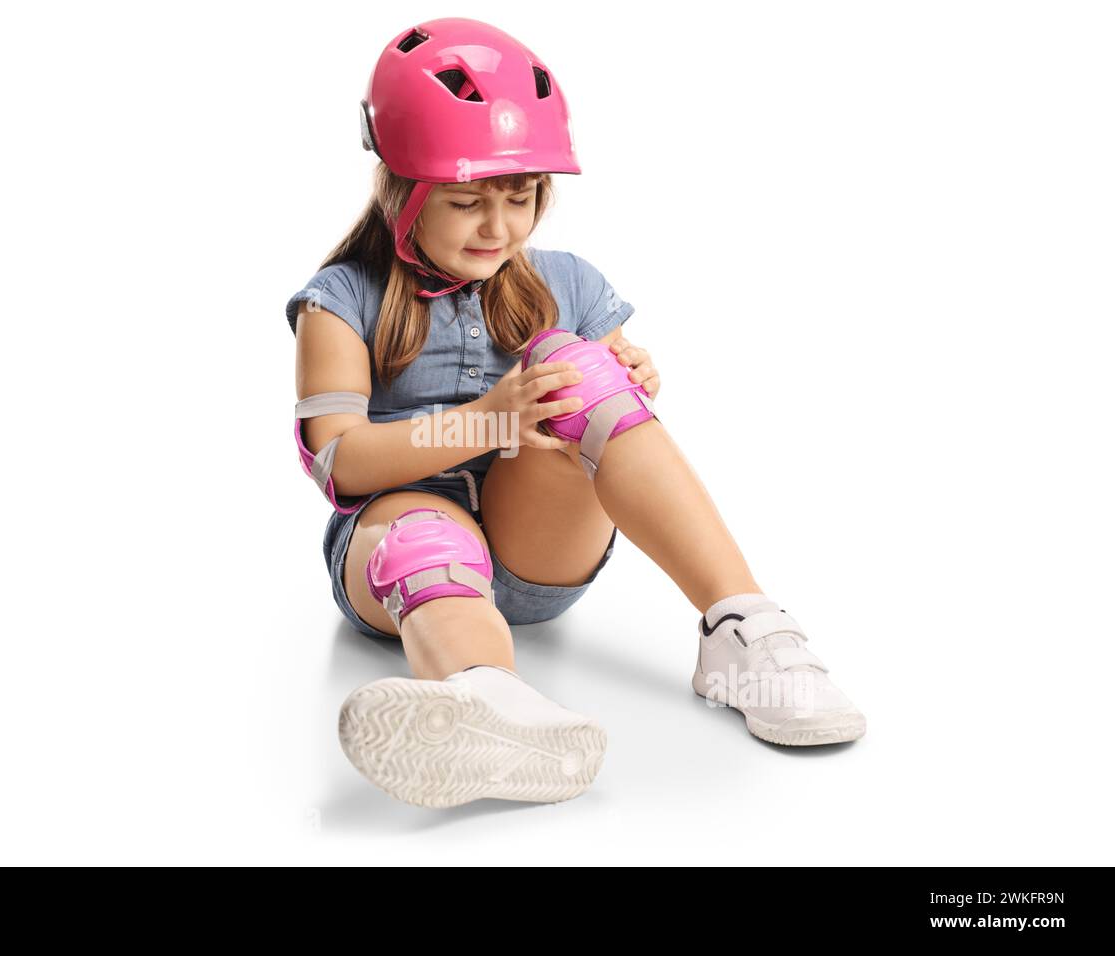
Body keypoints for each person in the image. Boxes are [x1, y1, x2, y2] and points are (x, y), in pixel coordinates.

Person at [286, 18, 866, 810]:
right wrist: (489, 420)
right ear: (403, 190)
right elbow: (338, 463)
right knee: (424, 536)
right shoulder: (342, 301)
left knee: (578, 363)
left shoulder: (568, 283)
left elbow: (614, 417)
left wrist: (630, 378)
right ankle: (493, 708)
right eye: (465, 203)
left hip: (535, 558)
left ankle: (743, 632)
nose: (500, 228)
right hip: (399, 558)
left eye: (521, 198)